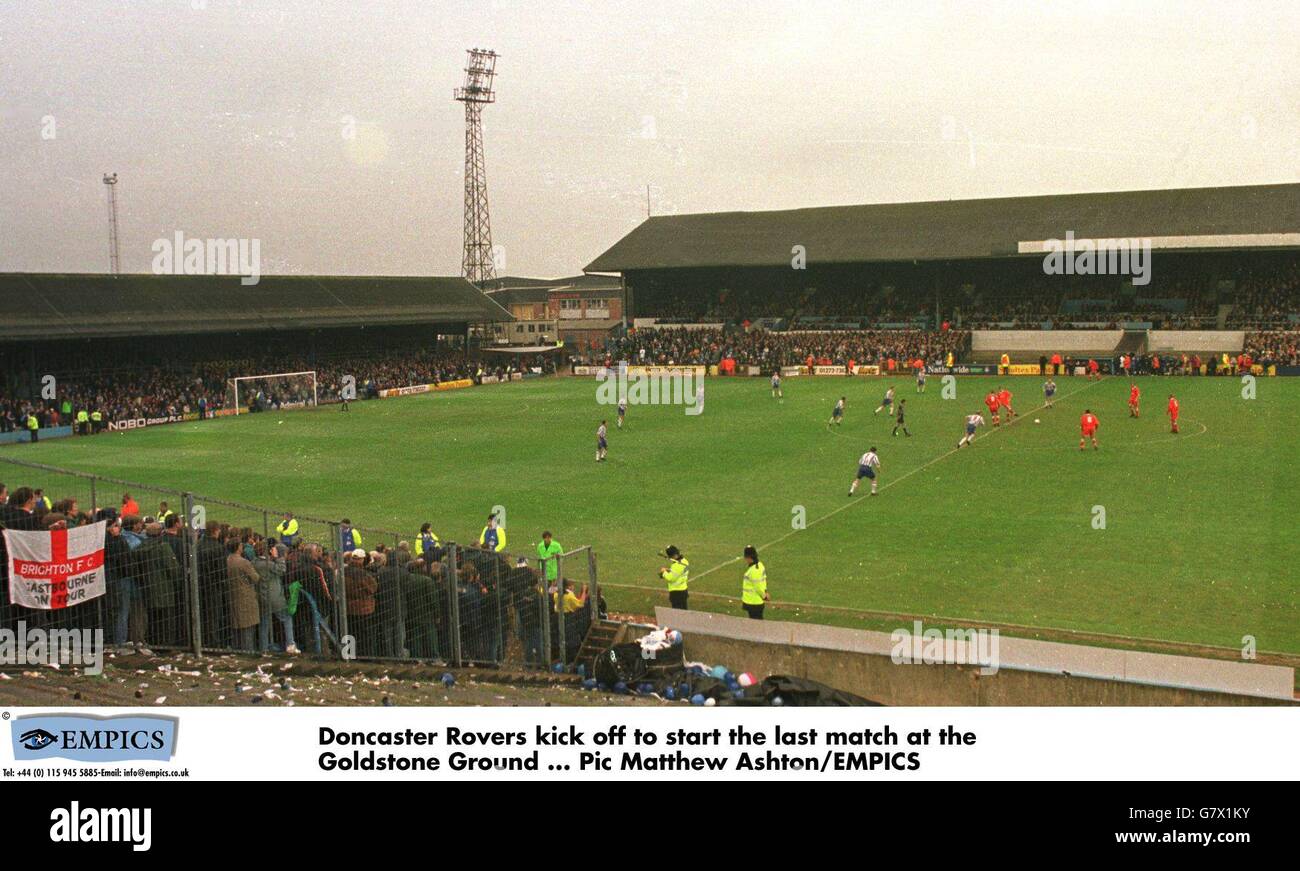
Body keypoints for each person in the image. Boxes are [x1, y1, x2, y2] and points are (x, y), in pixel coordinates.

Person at [740, 545, 768, 620]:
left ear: (748, 558)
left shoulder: (753, 571)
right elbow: (763, 581)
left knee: (756, 625)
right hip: (756, 602)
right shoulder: (760, 565)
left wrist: (764, 596)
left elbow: (758, 586)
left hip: (753, 602)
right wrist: (765, 592)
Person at [660, 545, 690, 610]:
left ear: (672, 556)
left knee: (677, 614)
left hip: (676, 592)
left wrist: (664, 572)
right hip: (683, 590)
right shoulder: (685, 561)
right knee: (684, 612)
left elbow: (670, 578)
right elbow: (678, 573)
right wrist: (670, 570)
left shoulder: (676, 565)